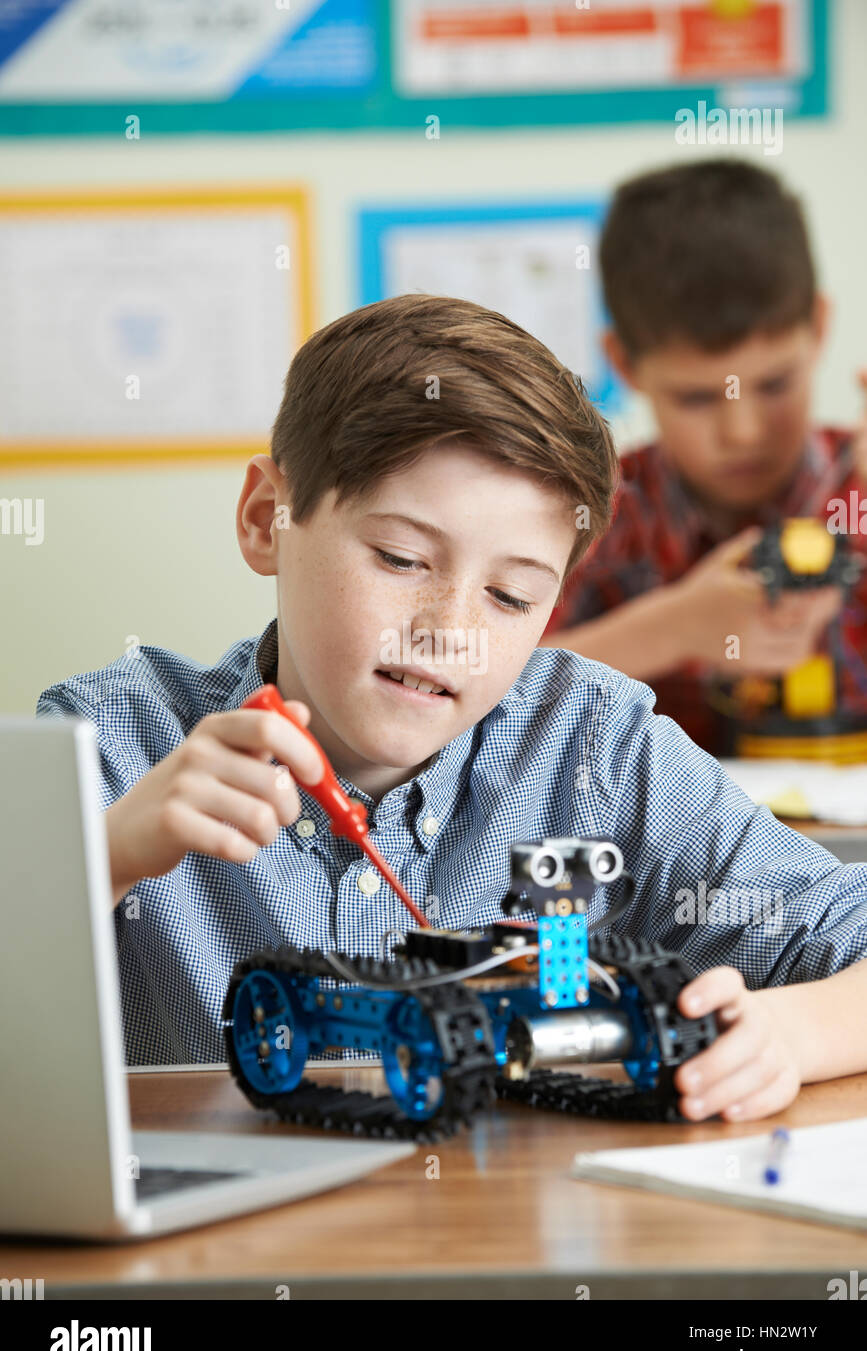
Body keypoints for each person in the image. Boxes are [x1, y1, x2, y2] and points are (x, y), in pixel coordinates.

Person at [37, 293, 867, 1121]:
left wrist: (788, 1032)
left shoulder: (595, 751)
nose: (450, 635)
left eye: (509, 597)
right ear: (267, 519)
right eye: (401, 559)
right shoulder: (106, 744)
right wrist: (102, 861)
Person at [542, 159, 867, 755]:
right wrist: (670, 629)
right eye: (696, 397)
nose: (743, 432)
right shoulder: (593, 512)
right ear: (625, 364)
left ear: (819, 327)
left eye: (773, 385)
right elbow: (472, 696)